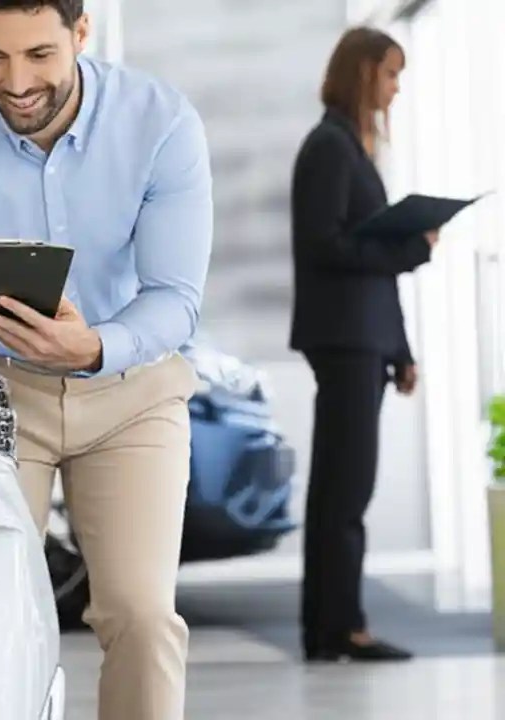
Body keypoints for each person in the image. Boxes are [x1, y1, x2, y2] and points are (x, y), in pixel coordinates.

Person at [0, 1, 212, 718]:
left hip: (132, 392)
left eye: (38, 55)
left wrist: (94, 346)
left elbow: (174, 299)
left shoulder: (161, 125)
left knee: (142, 613)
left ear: (80, 33)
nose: (16, 82)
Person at [289, 26, 437, 663]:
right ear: (364, 73)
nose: (396, 88)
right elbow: (325, 245)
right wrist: (409, 248)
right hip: (345, 339)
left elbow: (367, 262)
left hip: (363, 339)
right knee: (345, 491)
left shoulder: (350, 147)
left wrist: (399, 350)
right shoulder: (329, 147)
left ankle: (333, 628)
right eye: (391, 74)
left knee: (344, 488)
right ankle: (338, 627)